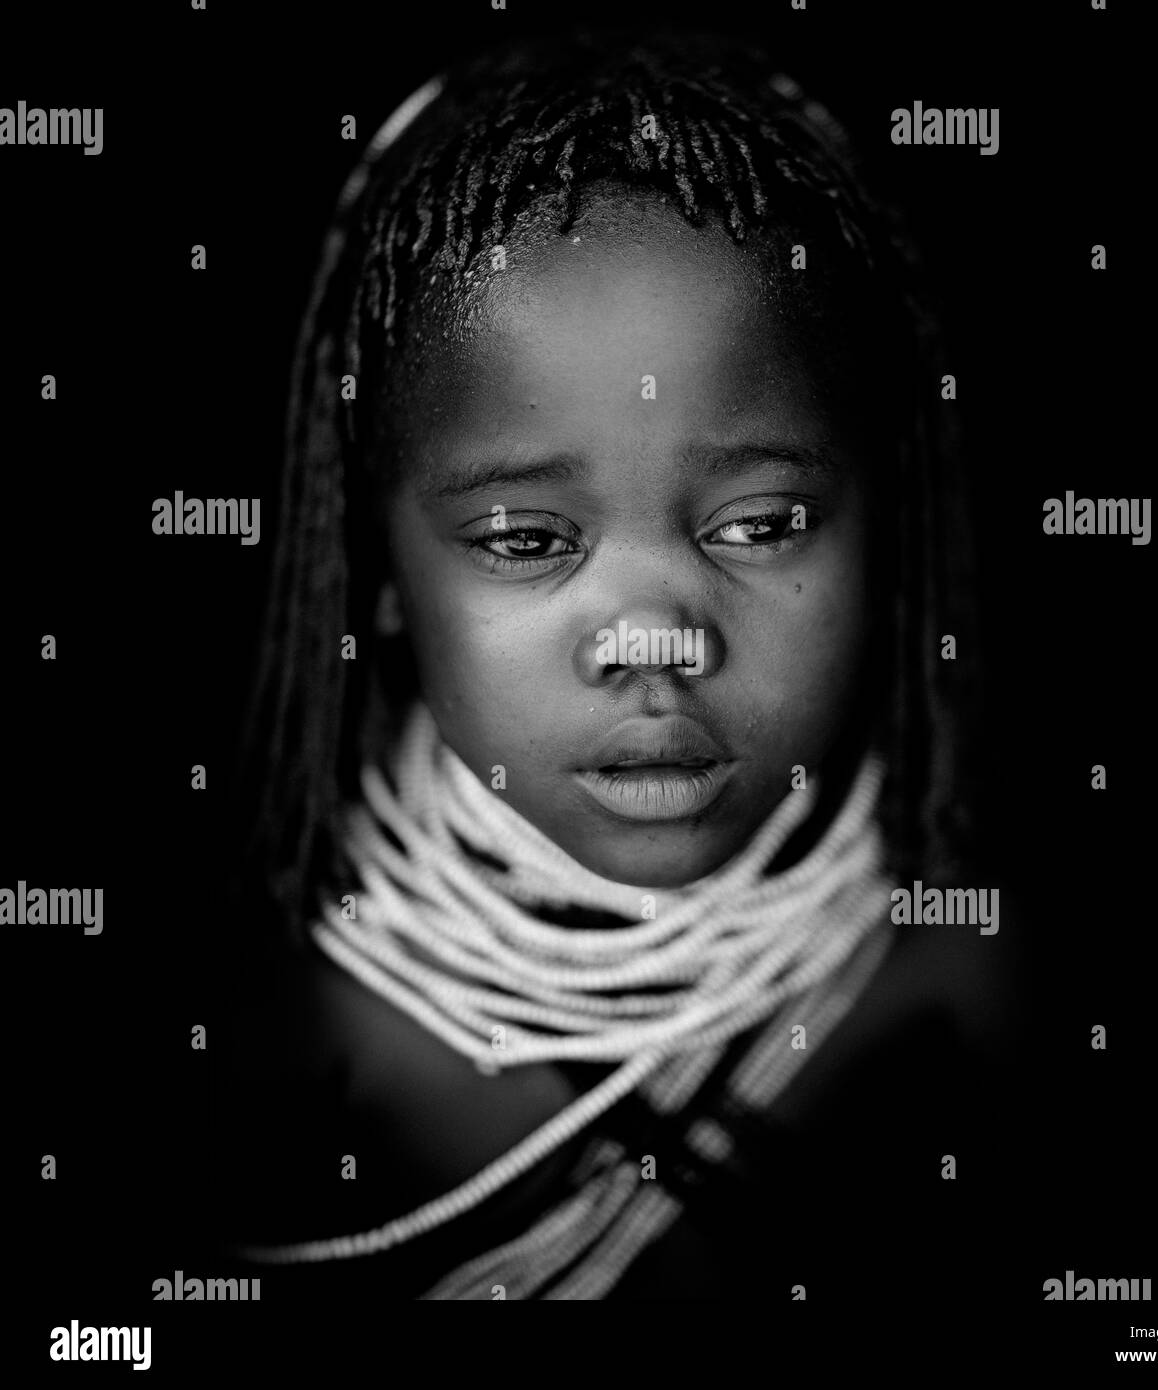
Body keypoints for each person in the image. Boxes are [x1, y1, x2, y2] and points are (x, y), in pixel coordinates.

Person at [197, 29, 1005, 1300]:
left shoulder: (967, 995)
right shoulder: (268, 1044)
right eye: (525, 540)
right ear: (376, 574)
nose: (654, 640)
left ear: (886, 530)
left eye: (761, 524)